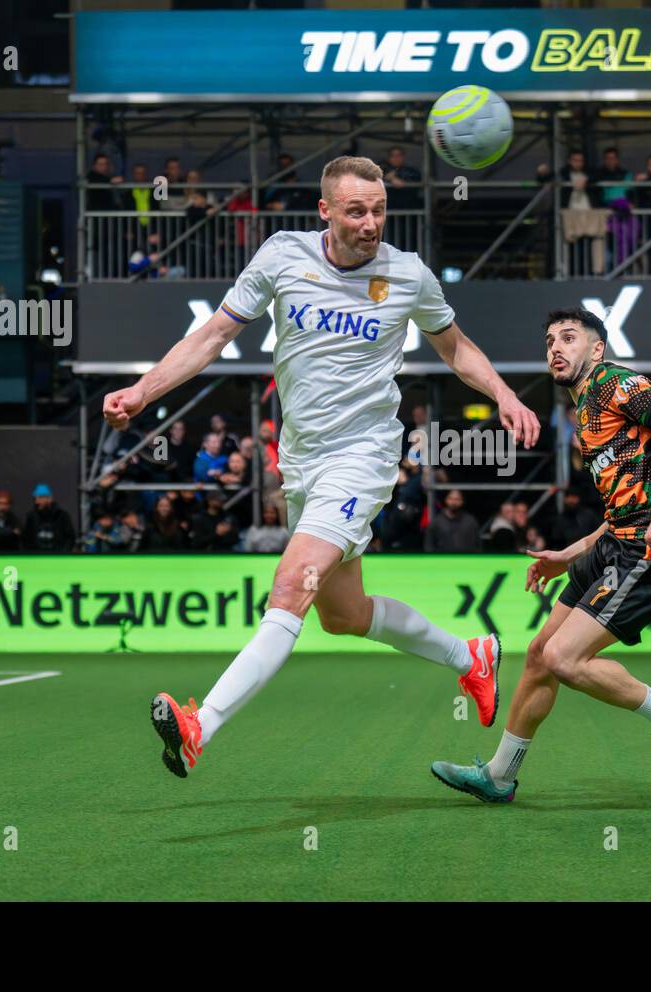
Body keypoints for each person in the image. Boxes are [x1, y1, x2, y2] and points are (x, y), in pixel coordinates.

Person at [102, 154, 542, 778]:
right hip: (303, 461)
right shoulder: (283, 256)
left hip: (363, 457)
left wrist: (503, 393)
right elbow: (210, 337)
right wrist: (142, 392)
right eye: (356, 211)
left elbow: (456, 348)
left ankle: (202, 724)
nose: (370, 223)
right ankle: (470, 657)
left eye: (380, 210)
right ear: (326, 212)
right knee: (342, 615)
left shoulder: (409, 274)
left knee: (291, 586)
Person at [431, 308, 651, 803]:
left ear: (596, 350)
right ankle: (499, 774)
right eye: (550, 341)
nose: (556, 347)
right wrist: (570, 552)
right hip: (617, 539)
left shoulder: (612, 383)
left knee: (563, 657)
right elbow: (622, 500)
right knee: (539, 655)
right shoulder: (585, 414)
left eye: (570, 338)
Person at [22, 483, 76, 552]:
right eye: (35, 498)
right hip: (37, 558)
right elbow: (25, 538)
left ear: (49, 499)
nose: (37, 501)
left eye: (40, 498)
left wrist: (63, 554)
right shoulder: (31, 516)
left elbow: (70, 537)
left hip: (57, 558)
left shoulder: (62, 516)